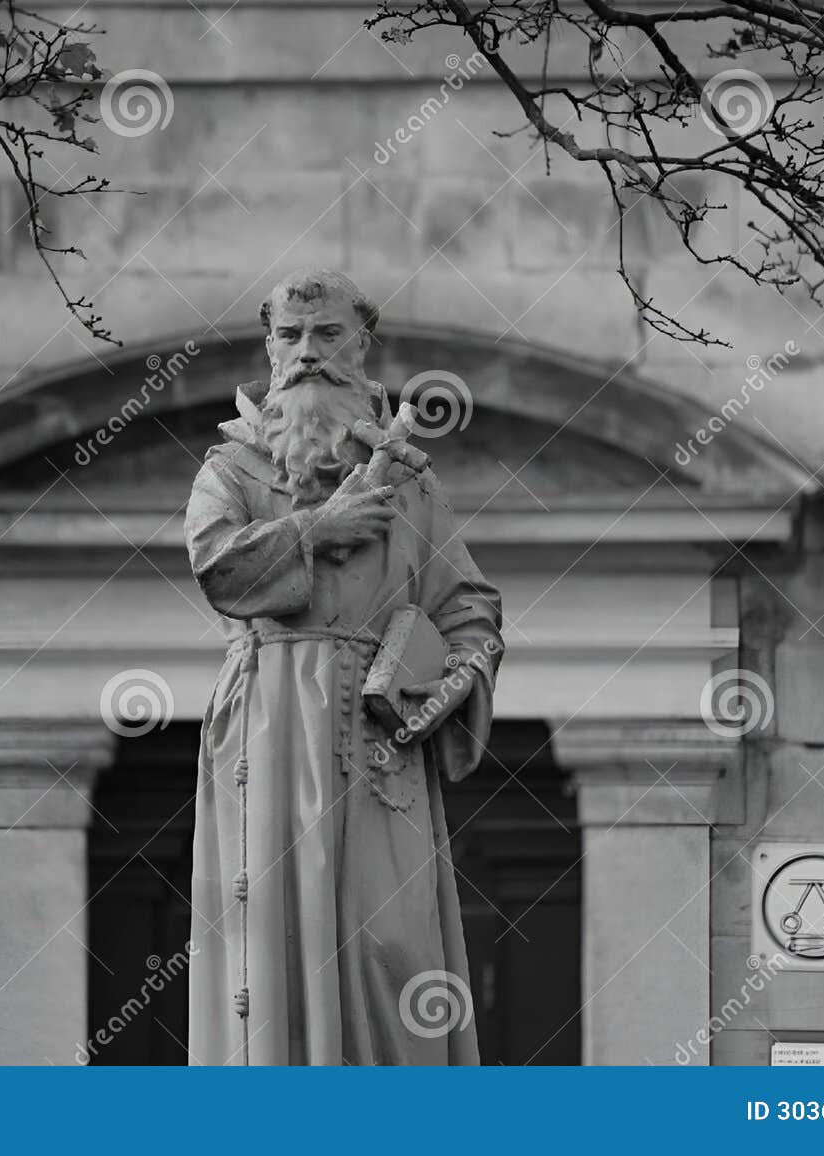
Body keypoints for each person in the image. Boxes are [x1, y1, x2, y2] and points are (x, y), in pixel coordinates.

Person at [183, 268, 504, 1064]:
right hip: (269, 721)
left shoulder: (409, 481)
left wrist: (447, 679)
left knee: (389, 940)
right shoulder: (232, 471)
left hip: (374, 743)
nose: (308, 353)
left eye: (328, 334)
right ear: (269, 347)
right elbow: (217, 566)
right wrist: (317, 527)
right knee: (269, 943)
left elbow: (468, 607)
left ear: (362, 347)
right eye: (290, 336)